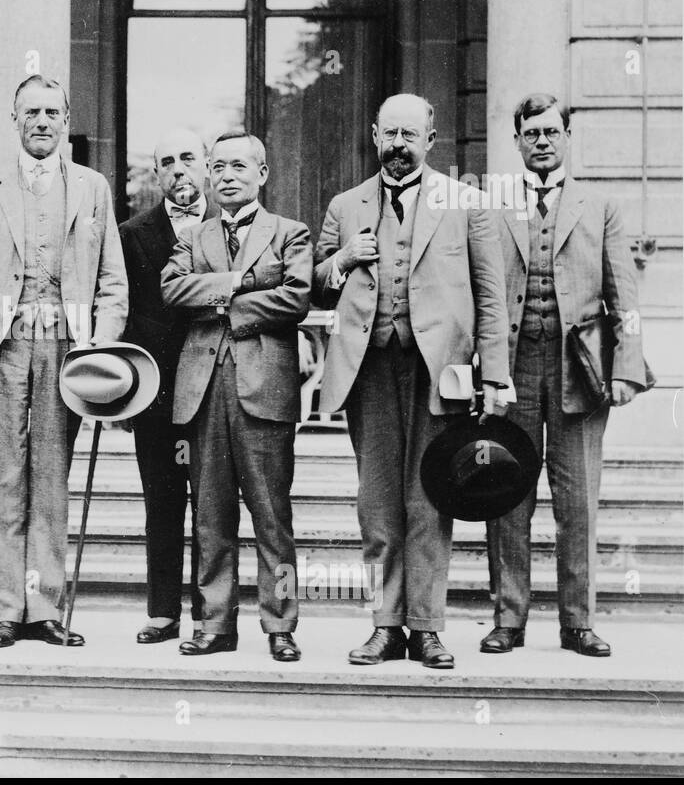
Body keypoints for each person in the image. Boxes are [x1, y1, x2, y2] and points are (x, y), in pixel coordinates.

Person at [313, 93, 510, 669]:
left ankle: (426, 627)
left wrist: (494, 375)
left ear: (430, 139)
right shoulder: (345, 205)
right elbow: (316, 282)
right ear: (374, 135)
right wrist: (345, 257)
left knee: (429, 499)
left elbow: (490, 297)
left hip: (438, 372)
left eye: (410, 134)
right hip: (369, 368)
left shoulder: (468, 203)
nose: (398, 145)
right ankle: (385, 625)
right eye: (389, 134)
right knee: (376, 504)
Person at [0, 74, 128, 648]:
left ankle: (45, 607)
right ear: (14, 119)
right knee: (5, 479)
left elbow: (112, 278)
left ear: (65, 118)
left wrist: (100, 347)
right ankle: (7, 607)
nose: (41, 121)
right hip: (5, 348)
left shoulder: (92, 187)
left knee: (52, 480)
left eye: (52, 112)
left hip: (69, 349)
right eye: (30, 111)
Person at [481, 93, 647, 658]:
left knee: (577, 501)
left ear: (567, 137)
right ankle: (509, 619)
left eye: (552, 132)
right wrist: (484, 374)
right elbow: (476, 294)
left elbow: (625, 296)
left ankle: (577, 622)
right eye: (532, 134)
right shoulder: (493, 206)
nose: (543, 142)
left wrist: (625, 368)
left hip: (581, 370)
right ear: (518, 141)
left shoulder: (600, 206)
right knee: (508, 493)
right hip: (513, 367)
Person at [160, 131, 311, 660]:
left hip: (263, 388)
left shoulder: (291, 233)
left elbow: (295, 296)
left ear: (262, 173)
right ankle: (216, 623)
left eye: (239, 167)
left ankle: (281, 624)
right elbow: (171, 288)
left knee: (272, 515)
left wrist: (223, 302)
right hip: (202, 389)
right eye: (218, 166)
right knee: (210, 513)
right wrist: (239, 285)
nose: (226, 176)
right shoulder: (192, 237)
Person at [119, 128, 219, 645]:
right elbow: (124, 310)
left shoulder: (230, 225)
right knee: (160, 501)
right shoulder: (133, 232)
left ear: (205, 165)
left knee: (212, 502)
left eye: (187, 159)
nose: (179, 170)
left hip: (213, 385)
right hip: (156, 392)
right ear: (157, 175)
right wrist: (121, 390)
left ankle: (209, 610)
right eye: (167, 163)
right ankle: (163, 610)